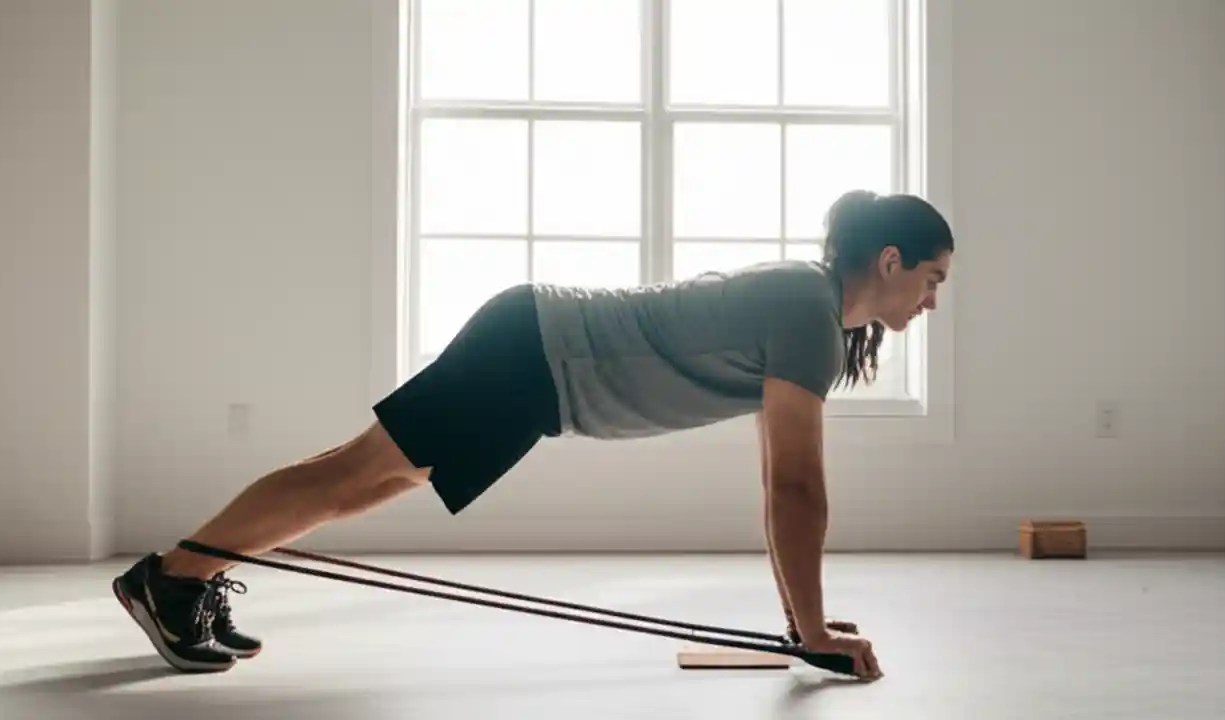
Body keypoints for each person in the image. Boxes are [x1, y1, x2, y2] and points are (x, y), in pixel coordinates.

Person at [112, 189, 954, 680]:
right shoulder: (808, 313)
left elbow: (785, 482)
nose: (931, 300)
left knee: (367, 480)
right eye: (931, 279)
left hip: (541, 374)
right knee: (354, 474)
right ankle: (172, 577)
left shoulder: (813, 316)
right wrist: (810, 636)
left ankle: (185, 579)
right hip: (537, 351)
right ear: (889, 261)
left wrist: (803, 624)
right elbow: (794, 487)